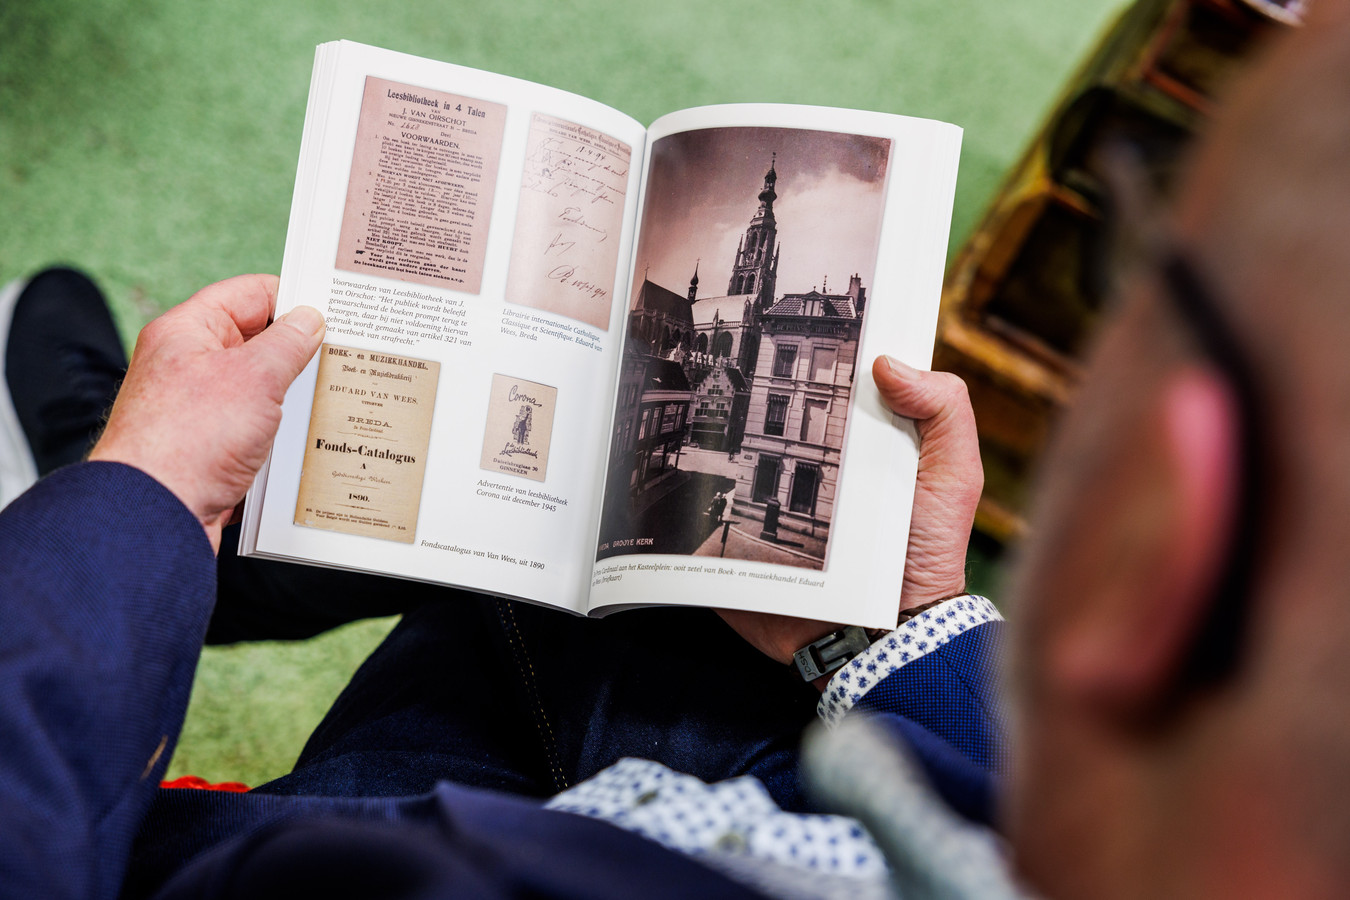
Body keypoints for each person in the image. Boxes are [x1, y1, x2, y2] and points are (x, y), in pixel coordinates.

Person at [0, 263, 997, 898]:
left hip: (419, 863)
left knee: (536, 522)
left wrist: (147, 480)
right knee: (570, 520)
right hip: (774, 814)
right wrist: (889, 629)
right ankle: (213, 557)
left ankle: (140, 526)